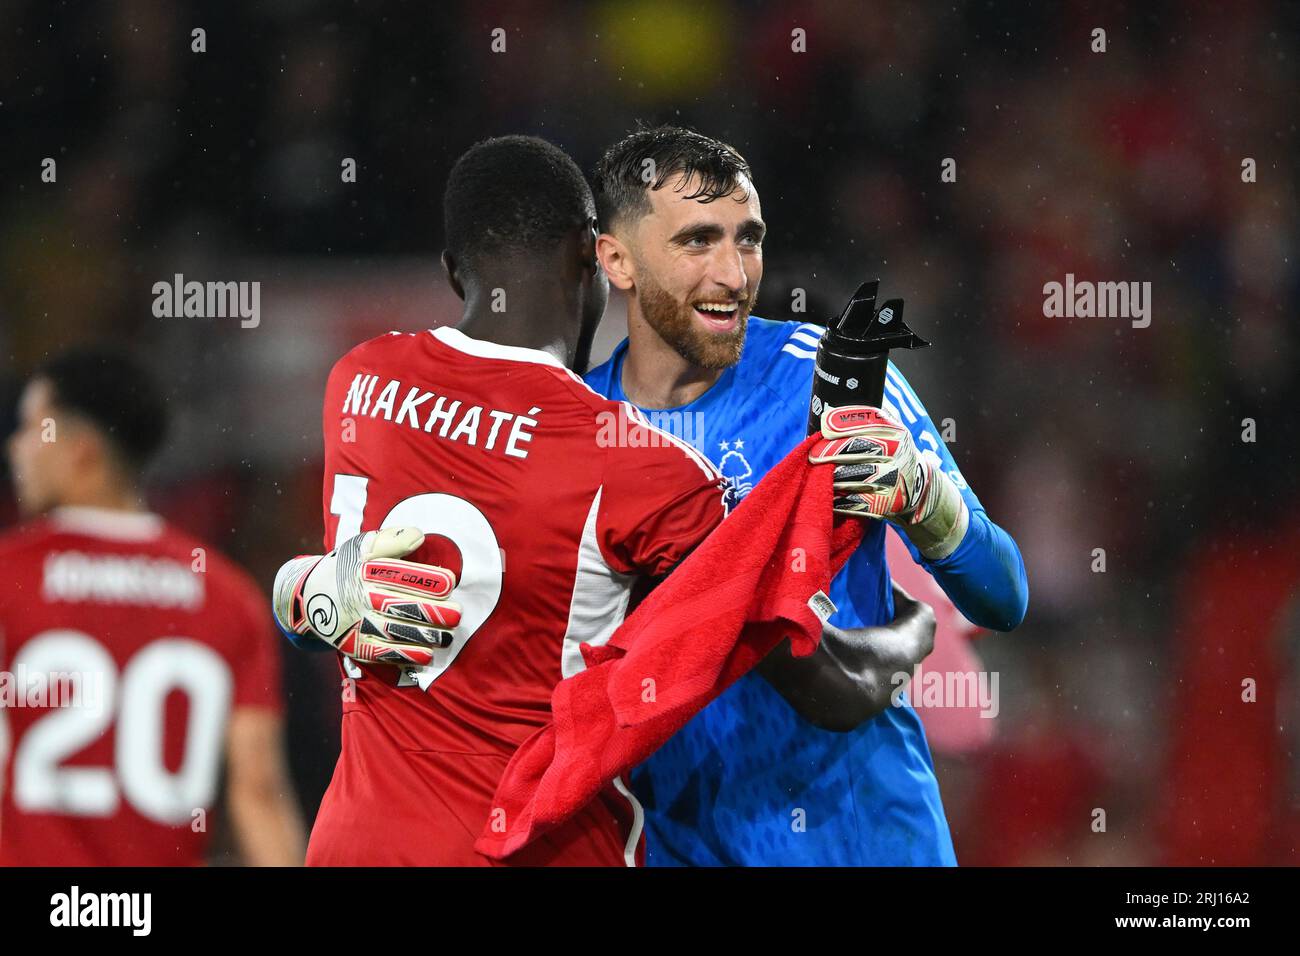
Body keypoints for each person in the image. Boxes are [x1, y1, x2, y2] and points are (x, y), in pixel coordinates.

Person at [275, 135, 739, 866]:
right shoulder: (649, 472)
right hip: (535, 850)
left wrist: (294, 590)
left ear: (452, 271)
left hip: (356, 845)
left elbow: (335, 593)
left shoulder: (359, 383)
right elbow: (805, 673)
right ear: (591, 260)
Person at [578, 125, 1029, 865]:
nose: (733, 274)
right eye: (697, 242)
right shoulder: (576, 430)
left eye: (747, 239)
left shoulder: (824, 380)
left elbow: (1003, 595)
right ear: (617, 259)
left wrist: (925, 501)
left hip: (870, 844)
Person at [0, 348, 303, 865]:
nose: (16, 447)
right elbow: (259, 792)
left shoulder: (11, 576)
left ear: (81, 449)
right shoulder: (227, 594)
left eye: (32, 427)